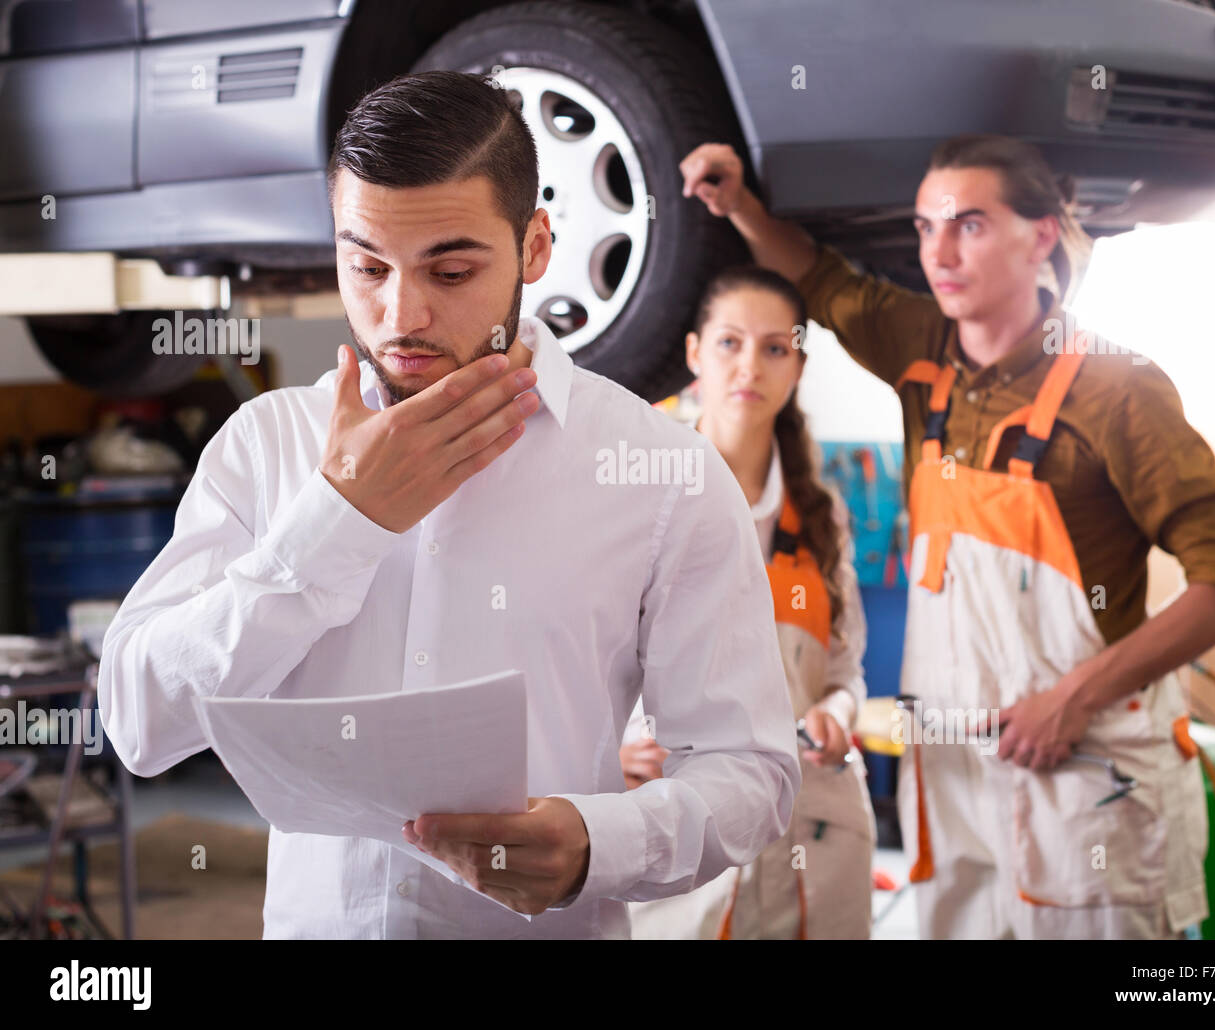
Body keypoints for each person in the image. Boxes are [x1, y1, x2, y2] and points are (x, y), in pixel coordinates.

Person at [97, 71, 801, 940]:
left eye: (452, 268)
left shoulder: (661, 475)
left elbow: (752, 772)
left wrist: (595, 843)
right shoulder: (265, 445)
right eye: (366, 267)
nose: (402, 315)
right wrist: (335, 525)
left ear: (536, 247)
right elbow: (137, 722)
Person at [677, 134, 1215, 939]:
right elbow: (818, 275)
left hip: (1085, 781)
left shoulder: (1118, 391)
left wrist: (1072, 699)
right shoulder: (924, 349)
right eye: (925, 227)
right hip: (955, 786)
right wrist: (738, 203)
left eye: (970, 225)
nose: (939, 252)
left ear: (1041, 236)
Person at [620, 266, 876, 939]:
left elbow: (847, 673)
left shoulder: (821, 519)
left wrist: (836, 711)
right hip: (676, 831)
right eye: (729, 343)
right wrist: (615, 750)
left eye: (774, 348)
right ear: (693, 353)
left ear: (798, 365)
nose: (749, 367)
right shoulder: (636, 500)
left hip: (814, 833)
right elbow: (575, 664)